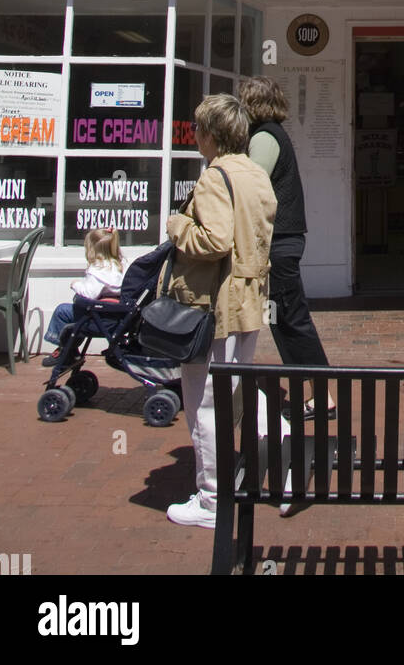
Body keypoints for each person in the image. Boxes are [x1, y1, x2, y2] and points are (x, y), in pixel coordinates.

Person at [165, 94, 277, 530]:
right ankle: (259, 460)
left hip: (216, 305)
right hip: (248, 302)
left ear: (211, 134)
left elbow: (212, 242)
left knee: (206, 405)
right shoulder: (254, 174)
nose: (195, 136)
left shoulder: (216, 176)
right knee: (231, 394)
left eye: (198, 129)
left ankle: (212, 499)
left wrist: (178, 226)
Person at [238, 75, 334, 417]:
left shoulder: (264, 136)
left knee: (292, 319)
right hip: (281, 242)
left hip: (279, 244)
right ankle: (311, 390)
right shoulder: (269, 134)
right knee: (282, 319)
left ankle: (321, 396)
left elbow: (250, 185)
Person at [43, 227, 127, 355]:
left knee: (62, 311)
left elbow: (89, 294)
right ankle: (69, 349)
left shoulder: (98, 270)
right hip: (114, 316)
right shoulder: (120, 265)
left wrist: (76, 285)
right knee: (79, 314)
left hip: (99, 317)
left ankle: (65, 350)